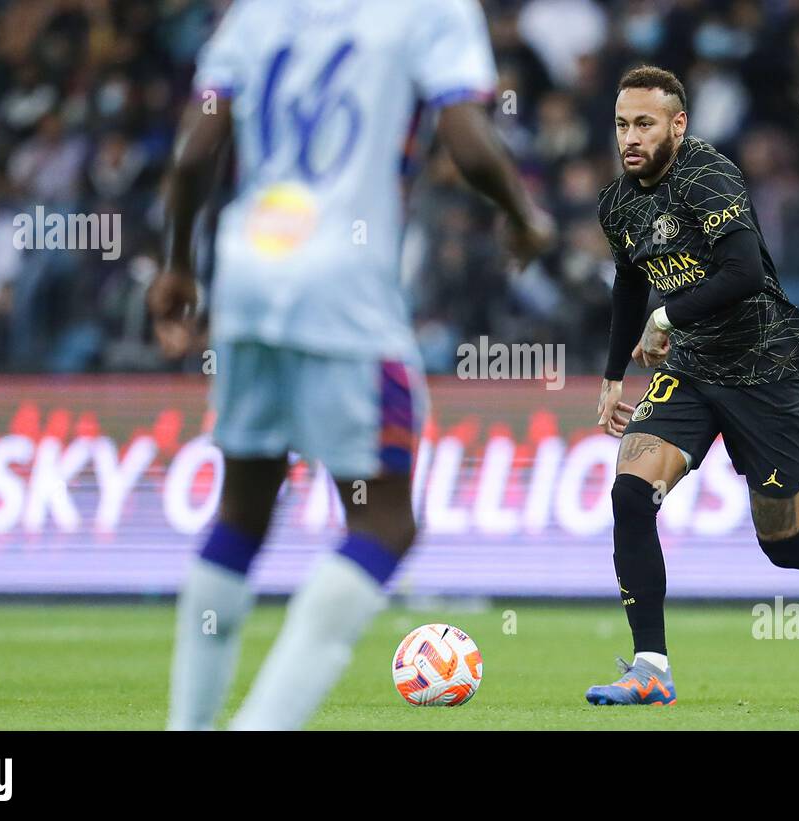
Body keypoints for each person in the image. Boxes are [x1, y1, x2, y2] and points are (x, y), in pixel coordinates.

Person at [148, 0, 555, 730]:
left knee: (241, 512)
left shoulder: (256, 13)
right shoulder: (433, 9)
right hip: (344, 283)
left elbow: (192, 152)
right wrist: (523, 214)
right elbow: (466, 137)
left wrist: (179, 265)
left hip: (245, 266)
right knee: (385, 521)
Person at [589, 66, 799, 705]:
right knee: (631, 493)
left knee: (784, 542)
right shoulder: (618, 202)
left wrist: (666, 317)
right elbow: (630, 282)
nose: (629, 138)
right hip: (690, 371)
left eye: (644, 123)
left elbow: (743, 272)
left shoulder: (708, 176)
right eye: (621, 125)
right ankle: (651, 669)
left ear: (678, 124)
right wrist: (613, 376)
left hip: (766, 369)